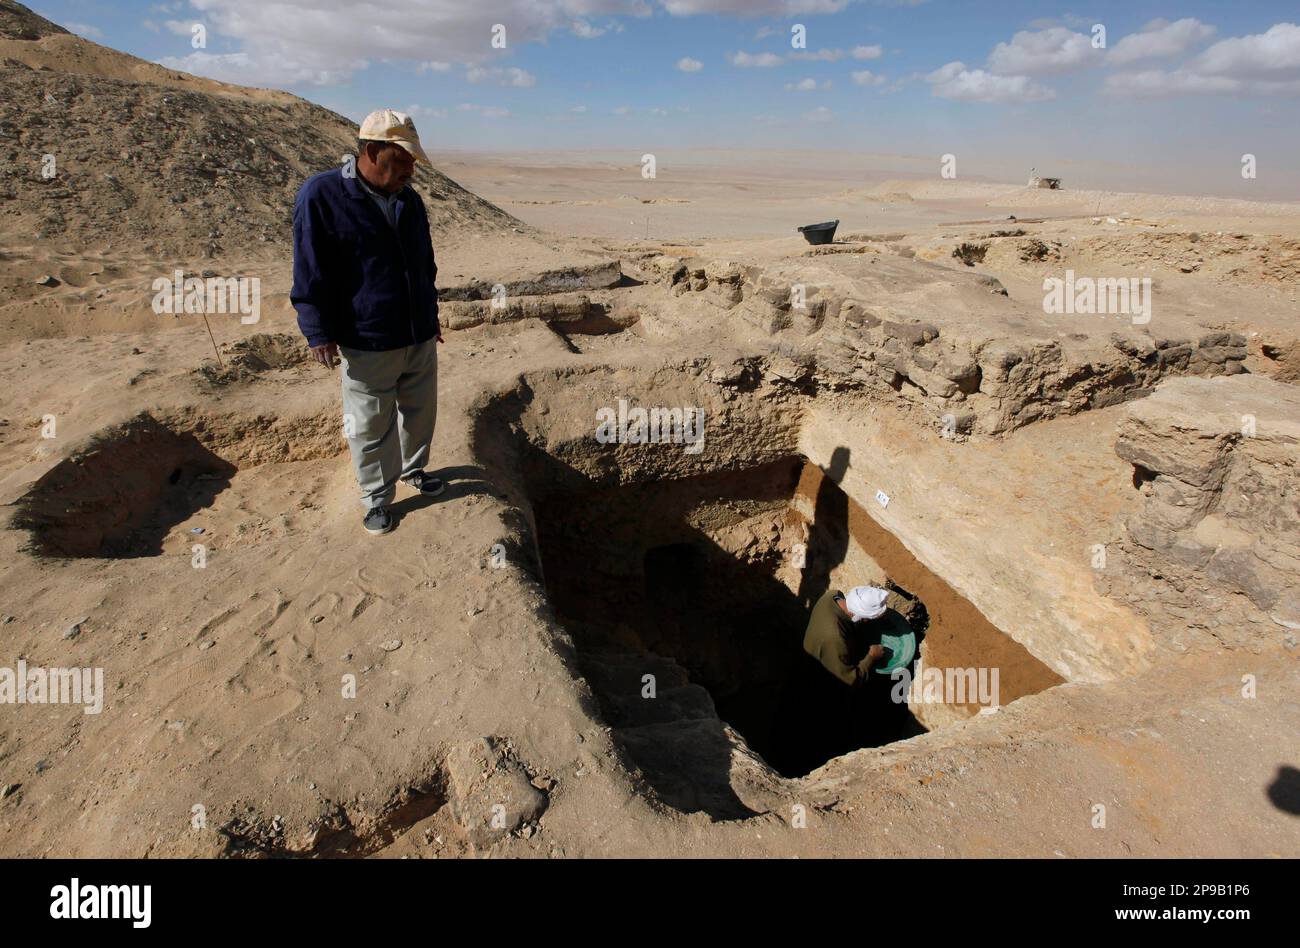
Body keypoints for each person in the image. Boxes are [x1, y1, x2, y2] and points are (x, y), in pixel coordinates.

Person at [291, 108, 445, 535]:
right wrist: (317, 330)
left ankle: (415, 471)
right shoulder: (322, 195)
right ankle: (377, 498)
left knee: (418, 412)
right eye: (403, 161)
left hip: (416, 332)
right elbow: (309, 268)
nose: (410, 171)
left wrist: (429, 316)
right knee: (370, 422)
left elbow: (424, 264)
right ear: (372, 151)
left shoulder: (409, 201)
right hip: (367, 336)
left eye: (413, 162)